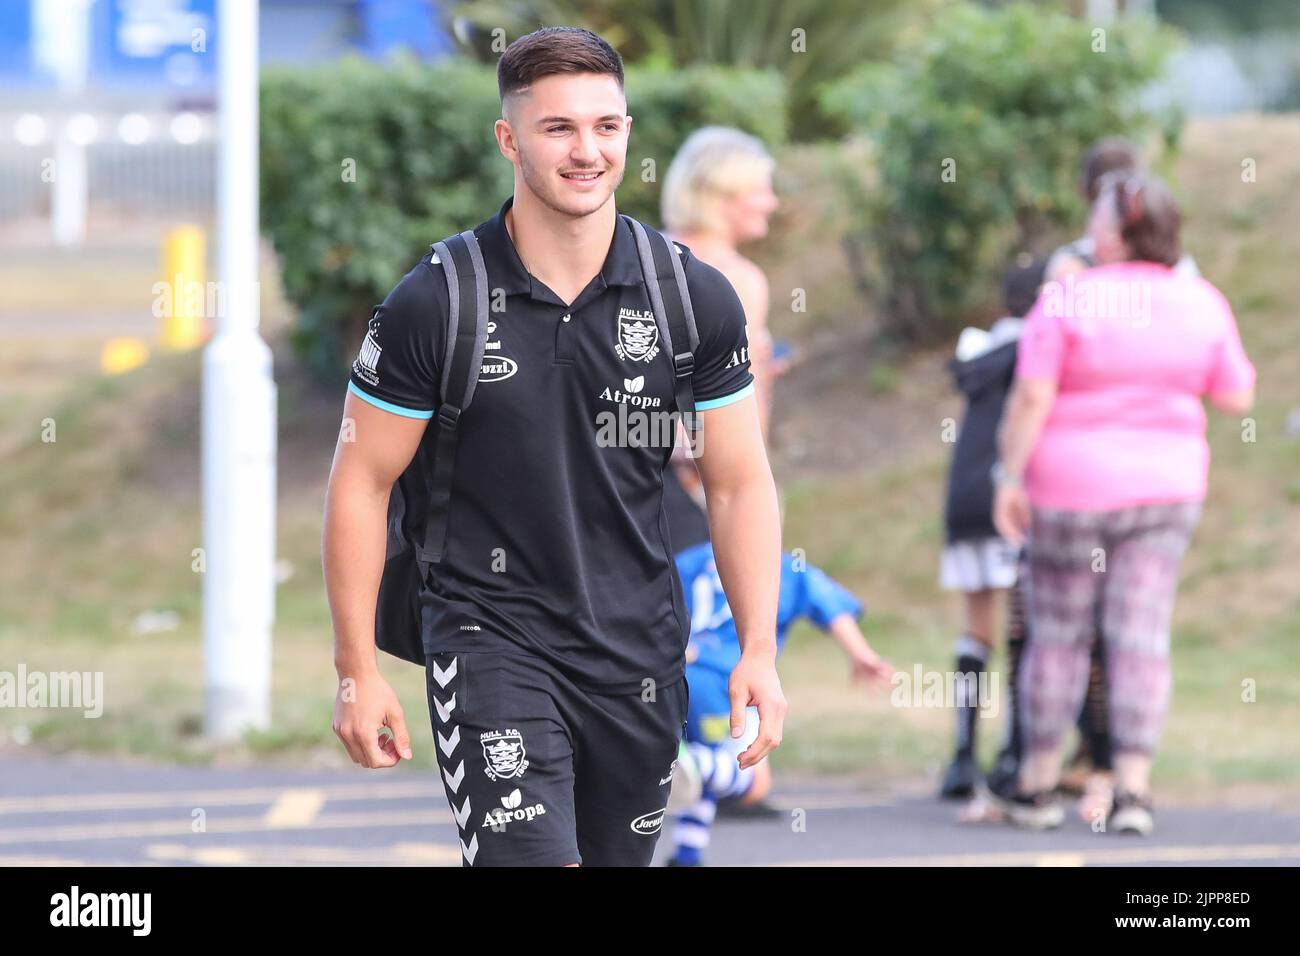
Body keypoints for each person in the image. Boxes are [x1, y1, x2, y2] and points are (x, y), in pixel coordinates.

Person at [322, 26, 784, 867]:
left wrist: (759, 647)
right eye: (558, 128)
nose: (586, 151)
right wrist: (358, 668)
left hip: (641, 656)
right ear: (509, 139)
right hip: (488, 638)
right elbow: (361, 480)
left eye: (606, 127)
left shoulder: (691, 296)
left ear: (628, 133)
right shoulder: (439, 301)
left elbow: (739, 483)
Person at [992, 171, 1256, 835]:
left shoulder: (1067, 298)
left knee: (1058, 636)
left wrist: (1008, 477)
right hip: (1165, 490)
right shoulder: (1200, 302)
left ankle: (1038, 785)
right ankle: (1133, 790)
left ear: (1113, 232)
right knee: (1140, 636)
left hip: (1067, 489)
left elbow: (1031, 398)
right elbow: (1236, 396)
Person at [665, 532, 892, 866]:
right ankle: (691, 762)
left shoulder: (692, 559)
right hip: (728, 681)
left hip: (679, 674)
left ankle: (687, 854)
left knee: (707, 772)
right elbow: (830, 607)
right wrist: (861, 655)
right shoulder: (782, 567)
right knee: (751, 780)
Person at [937, 256, 1044, 800]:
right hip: (1015, 496)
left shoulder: (980, 348)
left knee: (977, 626)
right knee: (1023, 627)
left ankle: (961, 756)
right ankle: (1014, 753)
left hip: (964, 498)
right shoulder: (1043, 346)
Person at [661, 127, 782, 440]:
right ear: (721, 195)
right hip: (702, 470)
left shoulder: (641, 254)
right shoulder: (737, 277)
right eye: (760, 191)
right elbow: (745, 405)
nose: (772, 203)